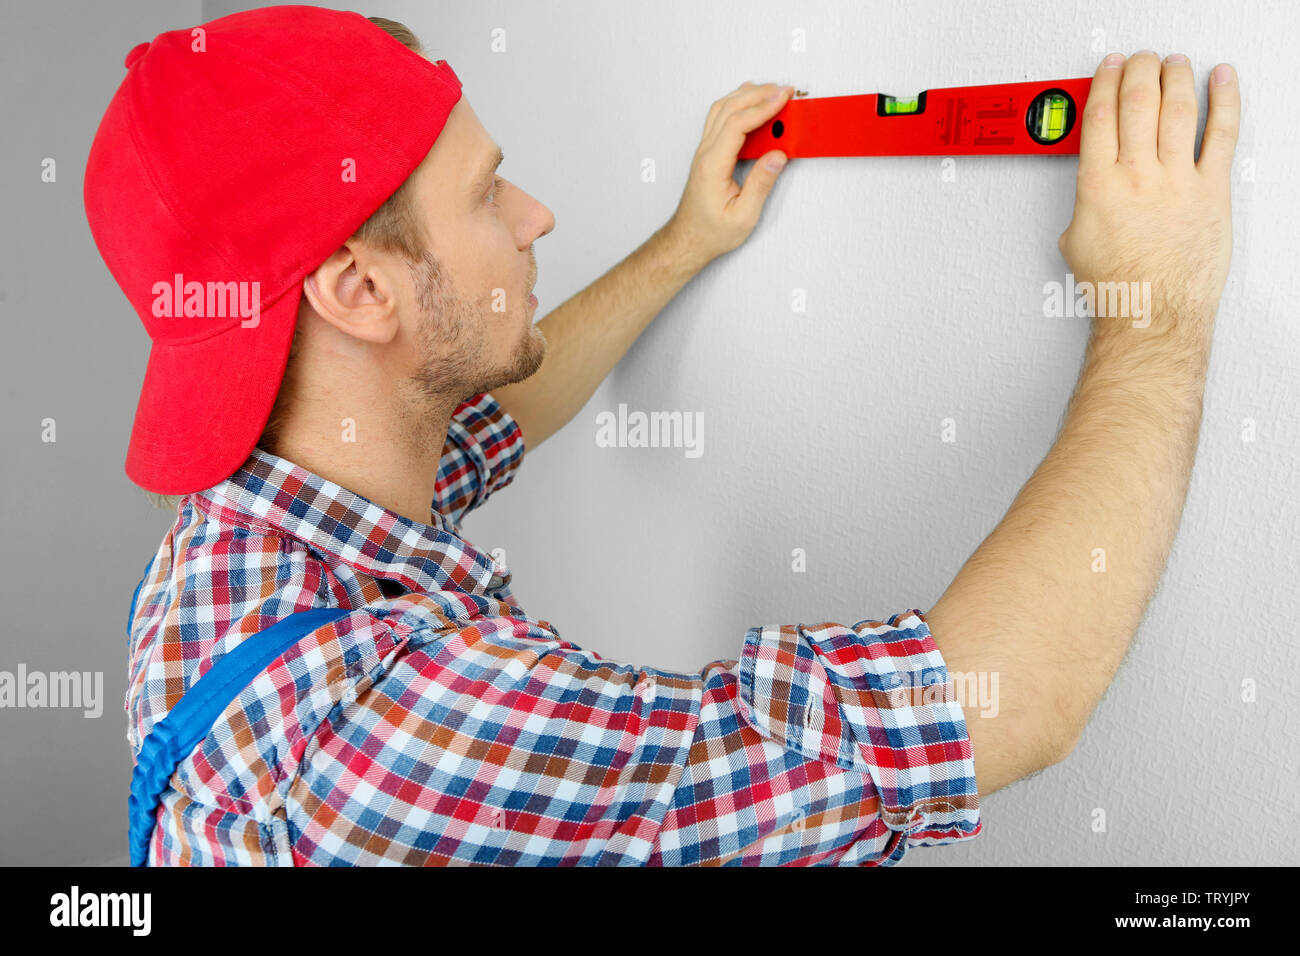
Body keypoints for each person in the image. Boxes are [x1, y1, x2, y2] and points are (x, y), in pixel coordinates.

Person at [86, 7, 1239, 865]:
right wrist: (1157, 306)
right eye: (488, 194)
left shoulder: (251, 534)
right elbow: (999, 705)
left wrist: (685, 242)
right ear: (359, 291)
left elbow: (488, 418)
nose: (536, 215)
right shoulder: (374, 733)